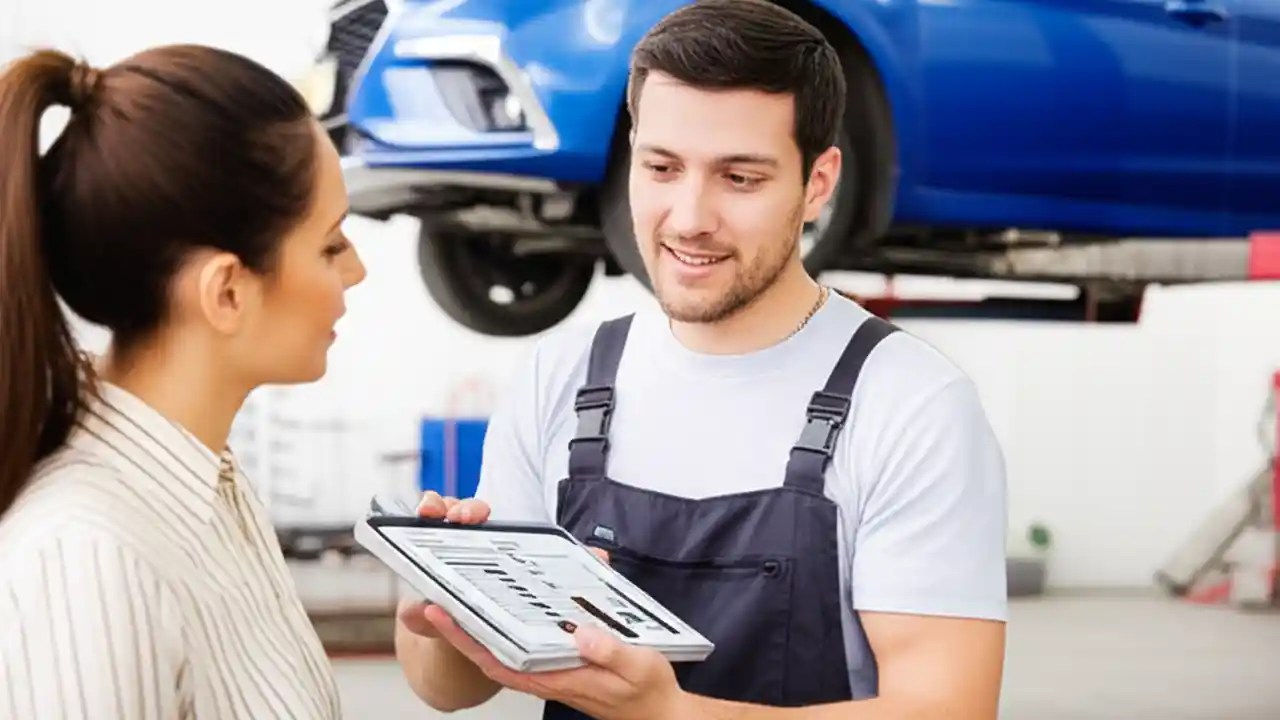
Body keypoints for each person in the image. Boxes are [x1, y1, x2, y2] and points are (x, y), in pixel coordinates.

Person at [396, 1, 1008, 718]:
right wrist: (439, 611)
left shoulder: (911, 403)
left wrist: (676, 714)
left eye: (739, 178)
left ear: (819, 182)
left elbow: (947, 709)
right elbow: (450, 690)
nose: (689, 217)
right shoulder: (560, 378)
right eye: (661, 167)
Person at [0, 44, 366, 718]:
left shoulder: (213, 492)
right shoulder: (89, 558)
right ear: (227, 291)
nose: (357, 271)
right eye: (331, 245)